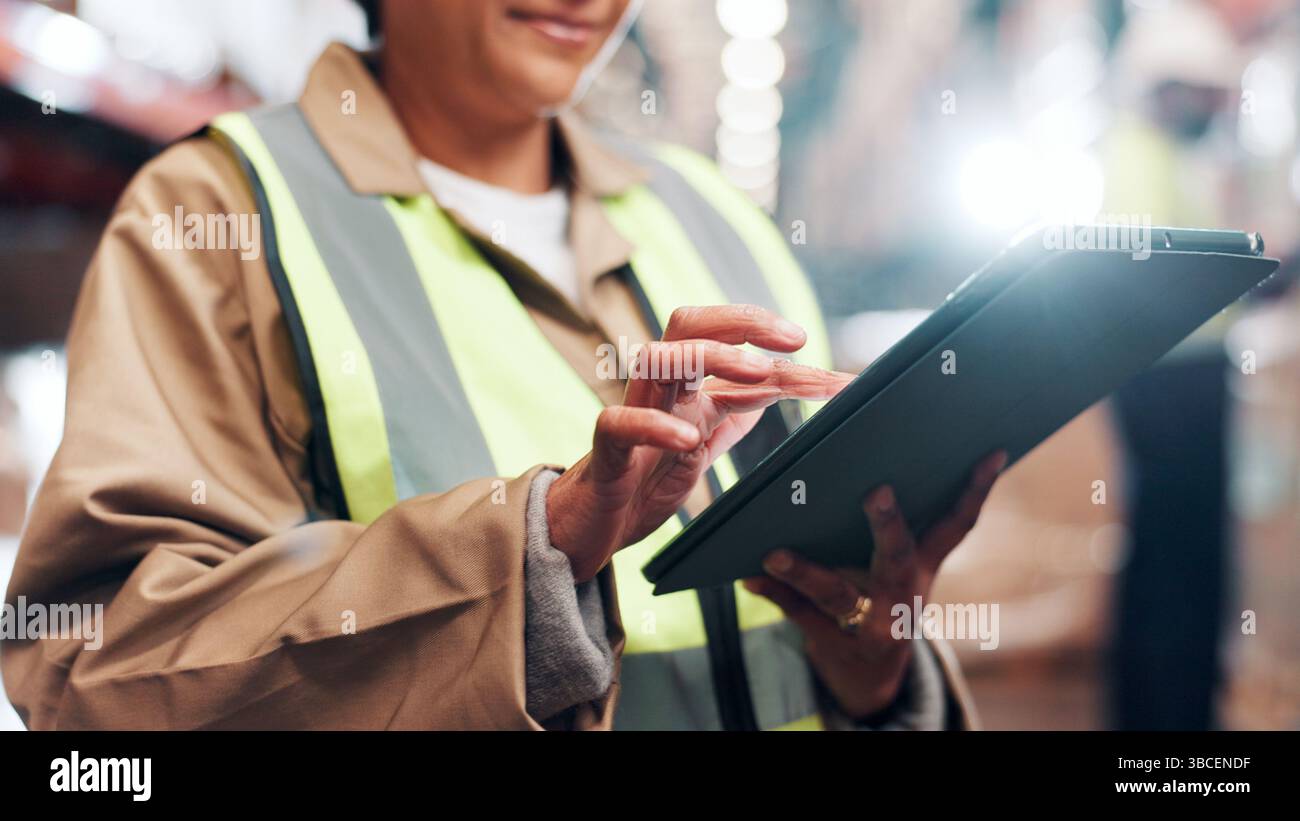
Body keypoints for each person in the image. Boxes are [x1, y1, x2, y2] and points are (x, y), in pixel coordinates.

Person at [1, 0, 1002, 730]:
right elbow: (95, 677)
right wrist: (536, 551)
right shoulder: (218, 215)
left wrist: (874, 681)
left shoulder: (714, 216)